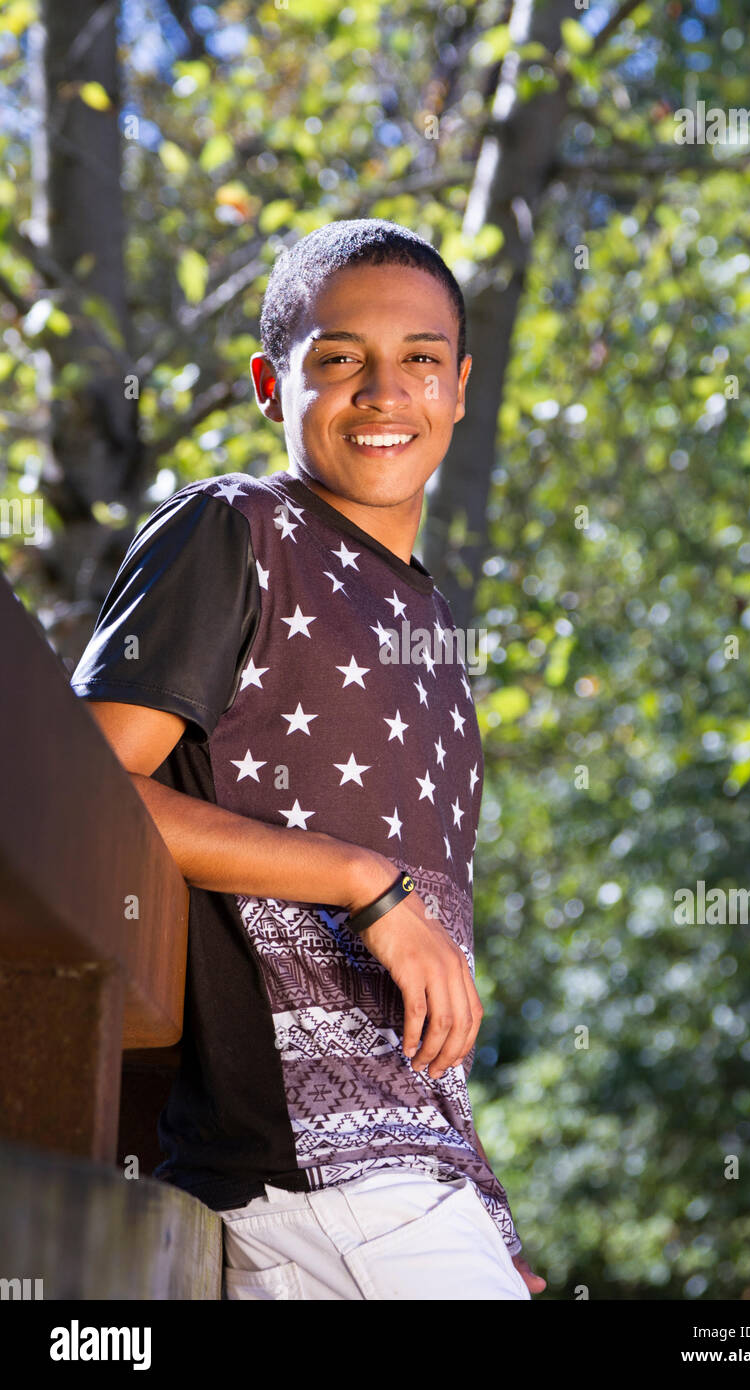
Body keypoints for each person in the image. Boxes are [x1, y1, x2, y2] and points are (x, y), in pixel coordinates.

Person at [71, 218, 545, 1300]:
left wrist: (485, 1206)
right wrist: (357, 881)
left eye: (419, 360)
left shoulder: (427, 620)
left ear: (460, 386)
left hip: (417, 1185)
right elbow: (87, 796)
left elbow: (418, 997)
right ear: (268, 384)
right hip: (316, 1178)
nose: (384, 392)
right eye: (339, 359)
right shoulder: (233, 530)